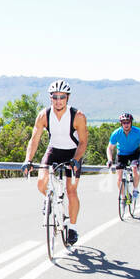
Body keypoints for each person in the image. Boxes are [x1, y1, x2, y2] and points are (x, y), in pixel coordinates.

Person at [24, 79, 88, 245]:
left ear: (68, 98)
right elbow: (34, 139)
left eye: (62, 97)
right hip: (53, 151)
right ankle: (51, 199)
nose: (58, 101)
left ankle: (72, 228)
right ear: (50, 97)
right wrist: (28, 160)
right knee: (41, 183)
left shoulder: (78, 116)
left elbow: (83, 142)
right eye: (55, 97)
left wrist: (76, 160)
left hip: (72, 153)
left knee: (71, 191)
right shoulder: (44, 115)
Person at [106, 112, 140, 198]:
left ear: (131, 123)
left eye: (128, 122)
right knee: (119, 178)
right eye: (124, 122)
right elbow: (110, 148)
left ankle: (135, 189)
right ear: (121, 123)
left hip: (134, 152)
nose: (126, 124)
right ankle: (123, 196)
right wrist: (110, 160)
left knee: (135, 168)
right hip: (122, 153)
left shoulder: (139, 132)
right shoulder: (116, 133)